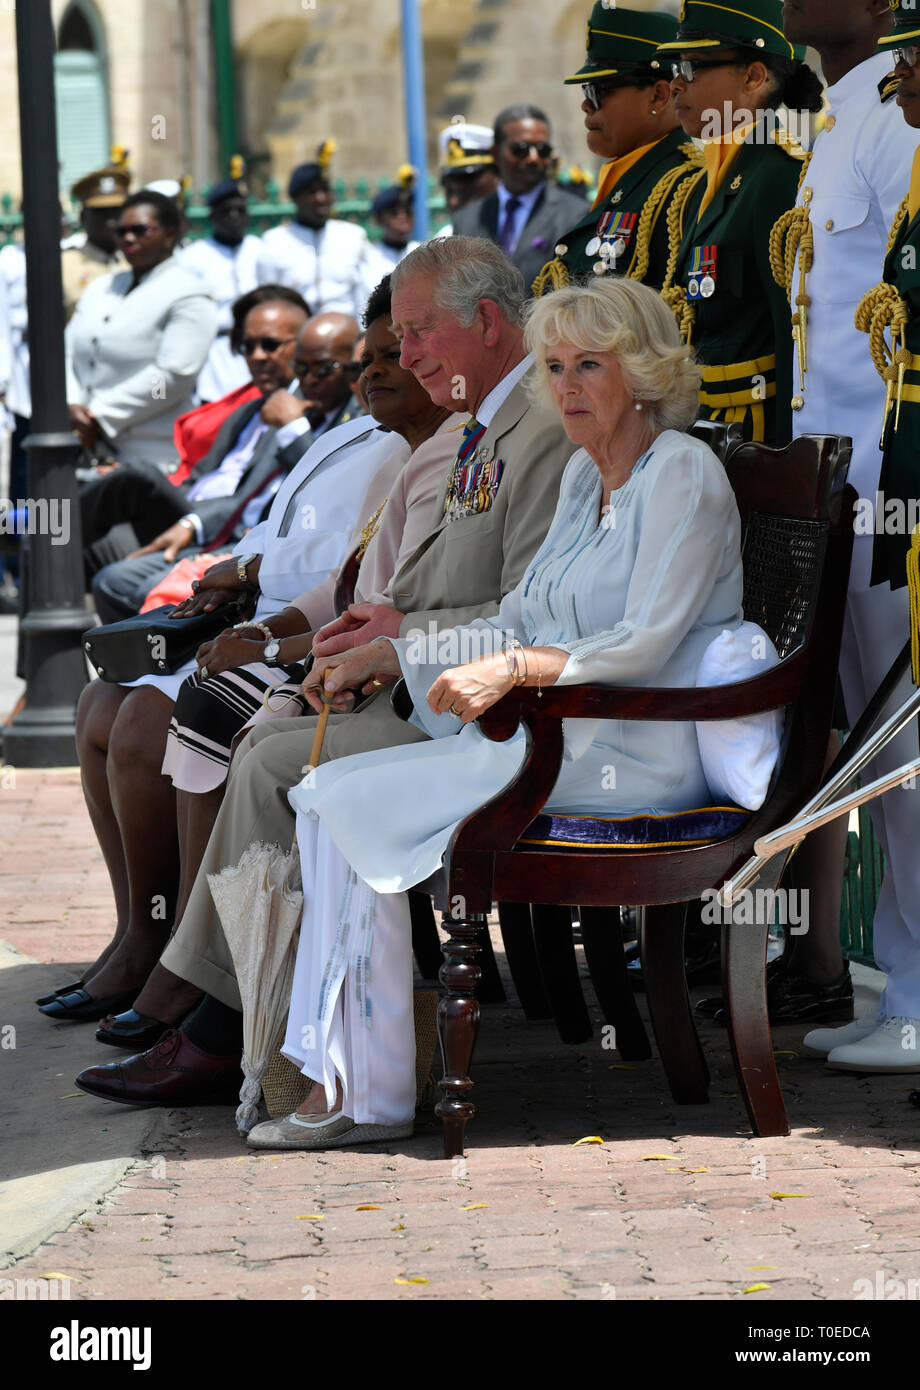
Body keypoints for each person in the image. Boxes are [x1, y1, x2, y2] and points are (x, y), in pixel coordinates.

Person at [75, 276, 745, 1148]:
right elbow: (521, 613)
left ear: (647, 372)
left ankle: (362, 1088)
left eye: (592, 365)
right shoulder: (592, 475)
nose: (570, 387)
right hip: (552, 726)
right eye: (555, 368)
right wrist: (397, 653)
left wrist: (510, 667)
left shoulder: (681, 473)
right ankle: (344, 1073)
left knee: (339, 796)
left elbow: (647, 643)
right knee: (323, 796)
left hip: (628, 744)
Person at [71, 235, 574, 1096]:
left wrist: (395, 641)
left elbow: (533, 612)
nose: (404, 355)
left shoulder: (539, 428)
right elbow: (428, 575)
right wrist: (377, 624)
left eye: (418, 333)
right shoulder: (486, 421)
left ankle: (213, 1021)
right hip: (427, 682)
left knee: (268, 758)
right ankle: (218, 1011)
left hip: (493, 712)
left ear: (488, 323)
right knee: (255, 740)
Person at [77, 282, 458, 1050]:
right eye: (367, 360)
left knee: (212, 716)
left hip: (402, 674)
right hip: (319, 634)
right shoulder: (377, 442)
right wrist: (268, 618)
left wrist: (276, 635)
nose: (371, 375)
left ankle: (204, 983)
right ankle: (151, 939)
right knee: (110, 704)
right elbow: (341, 574)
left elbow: (394, 598)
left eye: (397, 355)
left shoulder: (449, 447)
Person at [770, 0, 920, 1071]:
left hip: (890, 467)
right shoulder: (837, 110)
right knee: (878, 748)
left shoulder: (891, 109)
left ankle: (917, 996)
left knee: (900, 752)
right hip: (845, 472)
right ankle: (903, 985)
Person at [79, 288, 314, 611]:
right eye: (248, 346)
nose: (257, 356)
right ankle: (38, 535)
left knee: (138, 480)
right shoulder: (244, 412)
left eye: (270, 345)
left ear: (301, 348)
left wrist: (190, 523)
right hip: (190, 509)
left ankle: (35, 524)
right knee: (87, 545)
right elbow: (201, 476)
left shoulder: (304, 413)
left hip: (222, 527)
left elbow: (259, 496)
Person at [654, 0, 824, 446]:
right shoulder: (703, 183)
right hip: (704, 423)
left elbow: (794, 336)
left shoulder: (777, 176)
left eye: (692, 67)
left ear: (753, 77)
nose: (675, 84)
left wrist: (789, 456)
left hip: (756, 433)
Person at [532, 5, 704, 297]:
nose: (586, 105)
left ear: (659, 95)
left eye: (599, 91)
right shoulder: (629, 181)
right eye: (586, 90)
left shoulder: (684, 189)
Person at [65, 190, 218, 471]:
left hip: (150, 453)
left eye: (140, 230)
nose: (128, 238)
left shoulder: (189, 293)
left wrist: (99, 415)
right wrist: (74, 405)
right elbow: (69, 350)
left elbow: (172, 375)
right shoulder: (101, 287)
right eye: (121, 231)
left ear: (170, 234)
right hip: (86, 449)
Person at [450, 105, 586, 292]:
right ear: (496, 154)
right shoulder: (468, 220)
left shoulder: (576, 215)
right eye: (521, 149)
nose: (533, 158)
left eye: (542, 150)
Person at [177, 164, 283, 402]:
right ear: (213, 216)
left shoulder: (261, 249)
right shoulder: (193, 256)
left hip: (258, 348)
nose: (234, 217)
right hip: (215, 351)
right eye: (227, 211)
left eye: (240, 210)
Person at [261, 143, 376, 318]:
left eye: (325, 191)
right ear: (295, 198)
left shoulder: (353, 236)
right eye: (312, 192)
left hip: (347, 335)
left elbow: (366, 292)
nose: (321, 199)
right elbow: (268, 299)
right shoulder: (275, 241)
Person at [61, 161, 129, 321]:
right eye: (101, 212)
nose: (111, 221)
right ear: (83, 217)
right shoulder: (63, 264)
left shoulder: (137, 260)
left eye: (117, 211)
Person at [437, 123, 499, 231]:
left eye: (469, 179)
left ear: (498, 175)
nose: (454, 201)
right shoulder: (444, 238)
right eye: (451, 188)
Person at [365, 172, 420, 277]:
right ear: (380, 219)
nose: (403, 217)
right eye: (394, 213)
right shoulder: (369, 258)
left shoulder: (424, 254)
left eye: (408, 212)